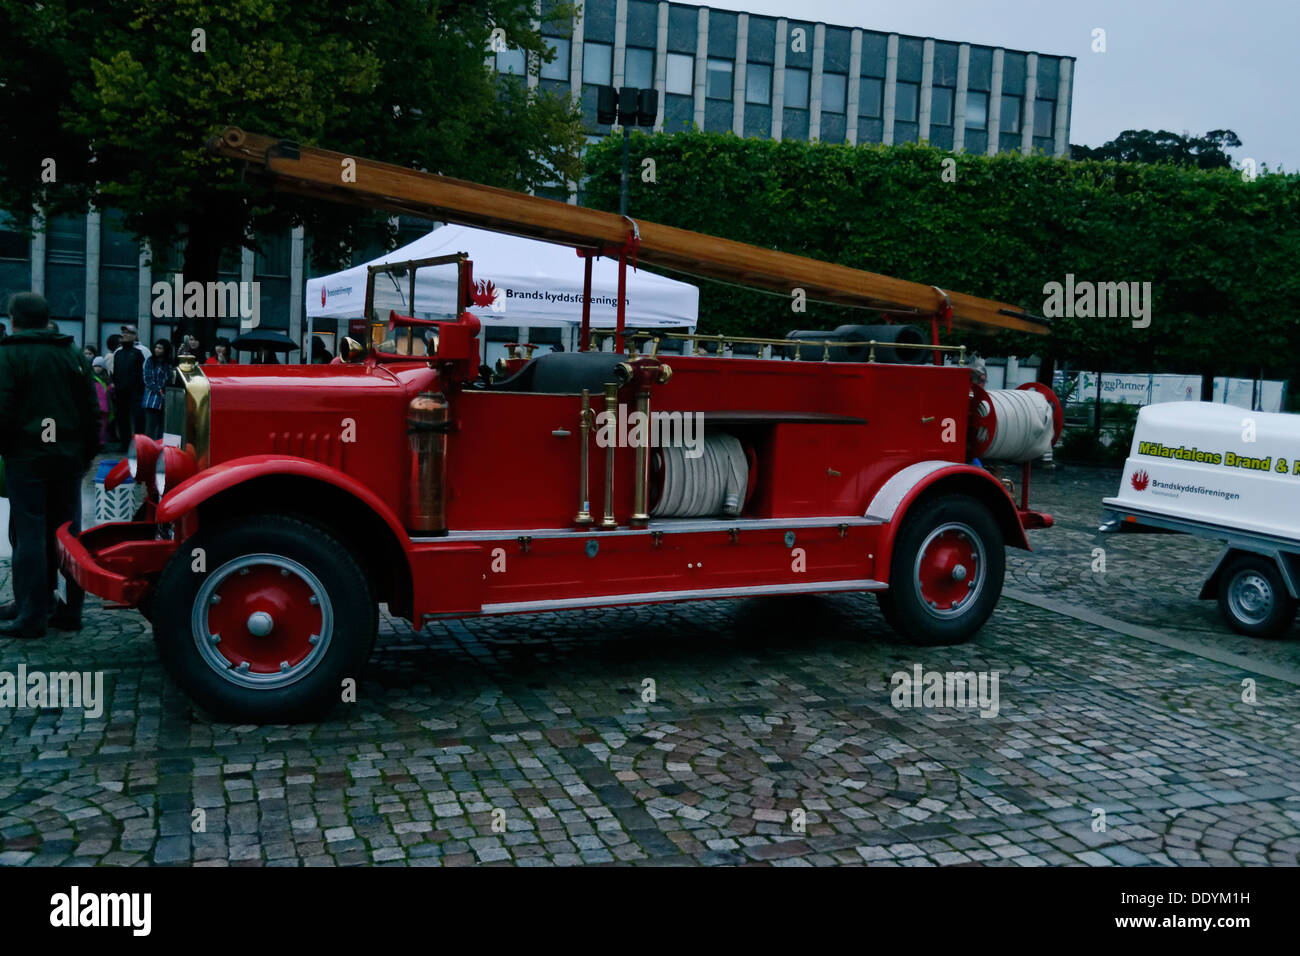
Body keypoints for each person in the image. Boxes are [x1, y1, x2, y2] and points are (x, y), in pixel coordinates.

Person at [0, 293, 100, 638]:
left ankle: (32, 613)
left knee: (27, 532)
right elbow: (91, 407)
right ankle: (70, 610)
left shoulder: (9, 354)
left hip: (27, 455)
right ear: (47, 318)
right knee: (67, 533)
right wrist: (88, 452)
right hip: (67, 454)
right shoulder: (71, 353)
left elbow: (3, 408)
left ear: (14, 319)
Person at [111, 323, 148, 449]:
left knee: (139, 418)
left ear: (134, 335)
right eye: (124, 332)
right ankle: (125, 444)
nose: (125, 335)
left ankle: (139, 445)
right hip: (121, 391)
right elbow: (114, 371)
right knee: (122, 418)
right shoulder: (117, 352)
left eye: (128, 333)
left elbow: (147, 370)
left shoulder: (141, 351)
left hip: (137, 391)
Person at [141, 338, 175, 440]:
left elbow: (171, 378)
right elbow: (148, 379)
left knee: (163, 427)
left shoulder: (169, 363)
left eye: (160, 348)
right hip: (152, 398)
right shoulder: (150, 361)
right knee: (150, 427)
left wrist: (166, 391)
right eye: (156, 347)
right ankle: (148, 448)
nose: (157, 350)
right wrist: (159, 390)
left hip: (165, 398)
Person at [90, 355, 114, 447]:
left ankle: (101, 442)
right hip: (97, 407)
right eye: (95, 366)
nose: (97, 368)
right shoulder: (92, 379)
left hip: (104, 407)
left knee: (103, 427)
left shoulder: (105, 379)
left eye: (99, 366)